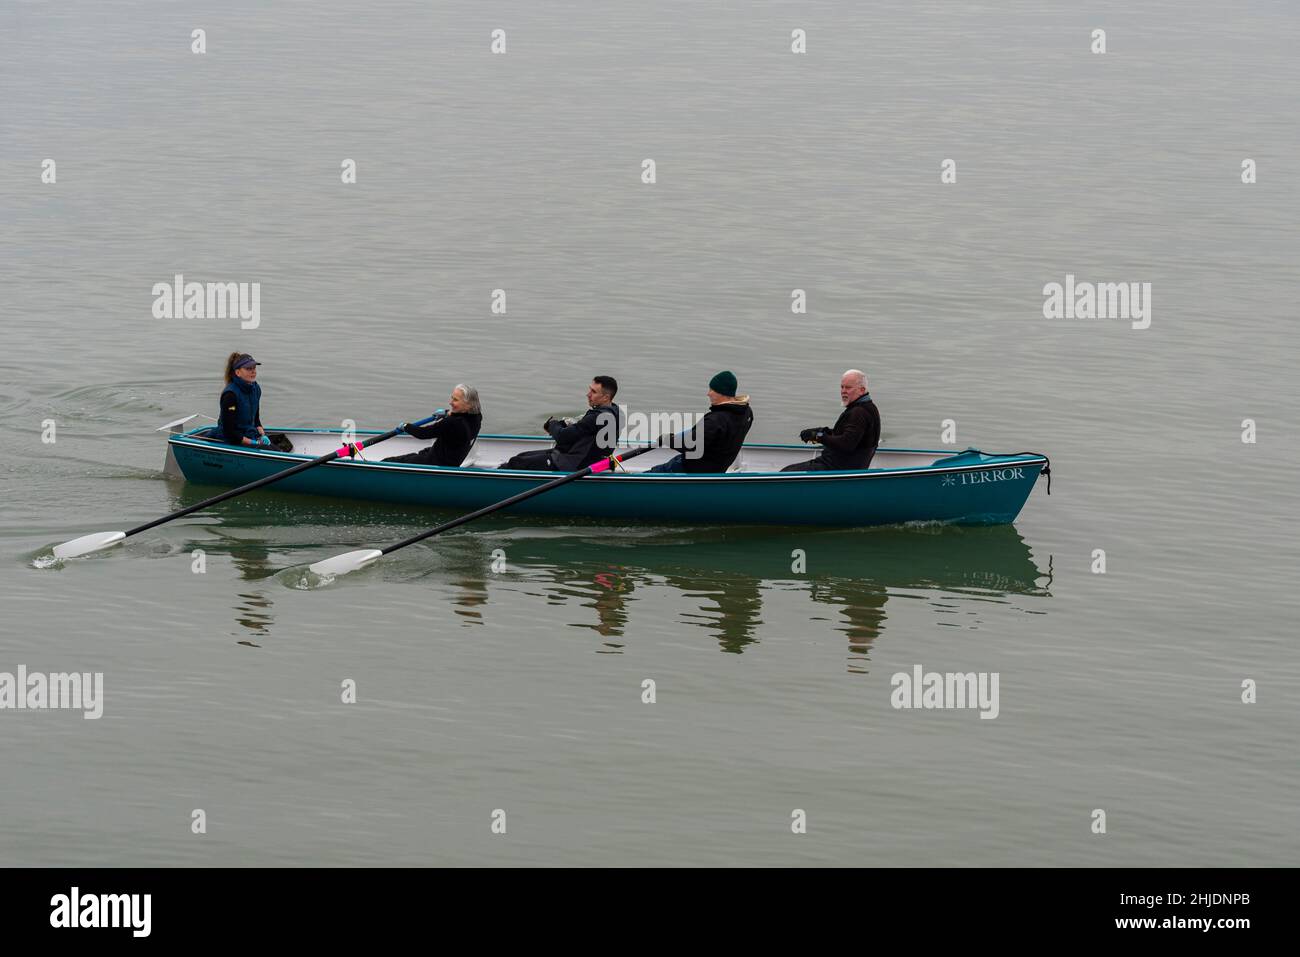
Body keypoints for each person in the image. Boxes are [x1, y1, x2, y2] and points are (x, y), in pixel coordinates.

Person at [499, 376, 622, 471]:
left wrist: (552, 424)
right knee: (522, 455)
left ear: (606, 397)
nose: (588, 394)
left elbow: (562, 437)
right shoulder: (614, 411)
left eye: (593, 392)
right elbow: (584, 430)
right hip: (588, 461)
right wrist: (564, 425)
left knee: (517, 462)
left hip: (573, 465)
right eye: (589, 390)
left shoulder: (596, 416)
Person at [649, 371, 753, 473]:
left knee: (651, 474)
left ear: (722, 392)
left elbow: (691, 445)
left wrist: (668, 439)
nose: (708, 394)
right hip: (716, 468)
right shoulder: (746, 413)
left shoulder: (715, 421)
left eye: (712, 390)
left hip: (691, 469)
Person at [781, 369, 880, 471]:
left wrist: (818, 436)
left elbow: (846, 443)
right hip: (839, 464)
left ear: (862, 390)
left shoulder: (859, 412)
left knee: (786, 472)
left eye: (848, 387)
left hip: (838, 469)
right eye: (842, 387)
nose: (843, 391)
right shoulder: (867, 407)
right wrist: (820, 431)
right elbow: (844, 434)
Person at [383, 385, 483, 467]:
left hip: (435, 463)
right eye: (452, 398)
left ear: (468, 405)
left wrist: (405, 426)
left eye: (455, 400)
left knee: (389, 461)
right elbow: (462, 417)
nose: (450, 402)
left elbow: (423, 434)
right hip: (451, 461)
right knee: (422, 452)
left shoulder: (452, 423)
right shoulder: (477, 418)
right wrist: (447, 412)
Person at [218, 353, 292, 451]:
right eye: (248, 369)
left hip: (249, 433)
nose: (253, 371)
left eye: (254, 368)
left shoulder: (256, 389)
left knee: (284, 443)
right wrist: (254, 443)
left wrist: (262, 435)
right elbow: (229, 433)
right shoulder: (230, 395)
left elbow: (256, 420)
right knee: (276, 451)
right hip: (232, 439)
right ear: (238, 372)